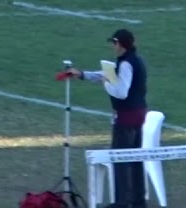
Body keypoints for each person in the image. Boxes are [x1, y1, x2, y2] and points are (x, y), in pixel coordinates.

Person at [63, 29, 148, 208]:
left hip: (126, 117)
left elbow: (121, 92)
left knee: (119, 158)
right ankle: (138, 200)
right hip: (139, 114)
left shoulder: (126, 64)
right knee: (136, 158)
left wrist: (106, 84)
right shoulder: (136, 60)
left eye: (114, 43)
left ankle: (122, 202)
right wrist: (83, 74)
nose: (113, 46)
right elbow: (107, 74)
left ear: (120, 44)